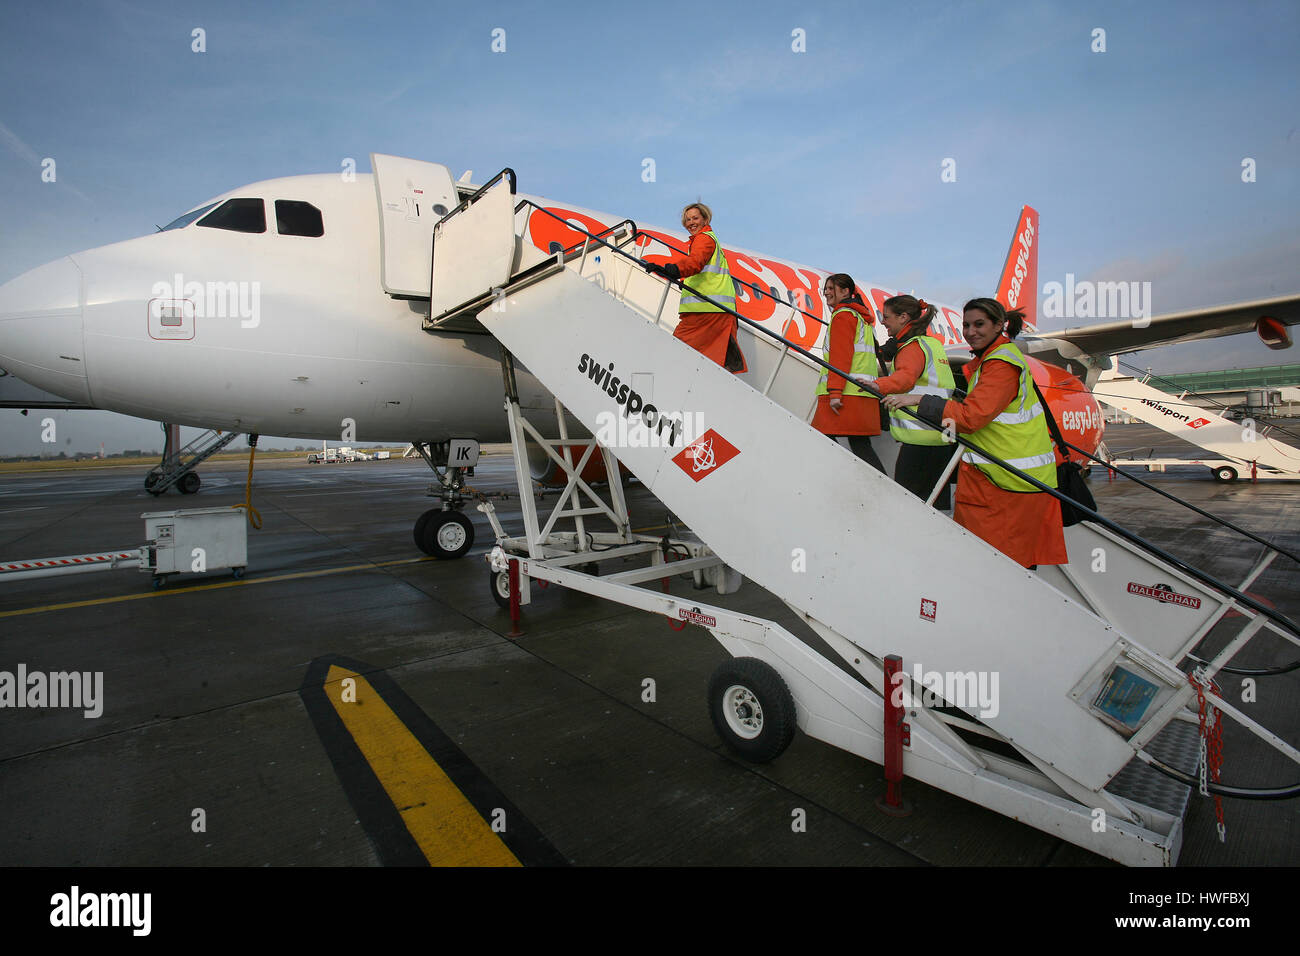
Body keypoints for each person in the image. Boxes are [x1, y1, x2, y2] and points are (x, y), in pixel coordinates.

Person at [883, 297, 1066, 568]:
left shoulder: (1001, 364)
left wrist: (921, 400)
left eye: (979, 324)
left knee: (999, 570)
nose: (970, 332)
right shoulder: (992, 359)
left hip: (1008, 483)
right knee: (995, 568)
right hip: (1001, 479)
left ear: (999, 325)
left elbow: (971, 417)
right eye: (966, 325)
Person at [855, 294, 956, 506]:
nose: (882, 322)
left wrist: (878, 384)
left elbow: (906, 379)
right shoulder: (931, 345)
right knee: (937, 503)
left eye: (886, 317)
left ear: (903, 317)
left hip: (922, 440)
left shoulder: (913, 346)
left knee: (908, 504)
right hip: (944, 434)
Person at [645, 203, 746, 373]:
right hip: (716, 311)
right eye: (688, 219)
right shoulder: (709, 240)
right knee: (714, 363)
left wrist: (670, 269)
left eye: (695, 218)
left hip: (707, 311)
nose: (691, 222)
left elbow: (695, 263)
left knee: (676, 352)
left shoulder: (704, 239)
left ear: (705, 219)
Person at [809, 274, 884, 471]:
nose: (826, 292)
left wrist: (834, 393)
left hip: (845, 394)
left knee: (820, 438)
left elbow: (839, 358)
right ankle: (878, 486)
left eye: (831, 288)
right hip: (861, 393)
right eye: (825, 288)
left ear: (845, 292)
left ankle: (838, 480)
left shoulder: (843, 315)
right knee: (861, 446)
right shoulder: (861, 317)